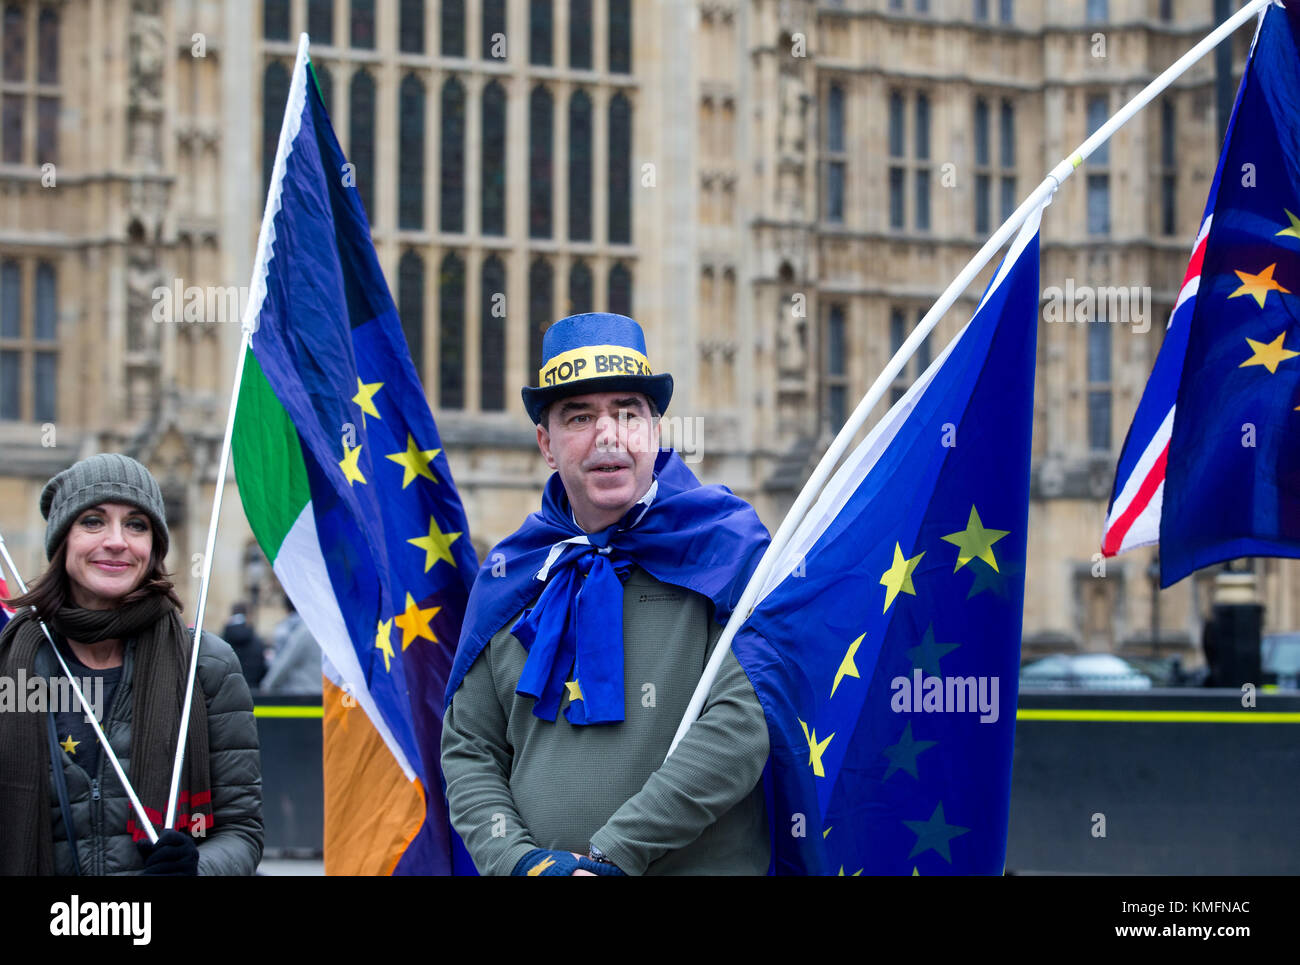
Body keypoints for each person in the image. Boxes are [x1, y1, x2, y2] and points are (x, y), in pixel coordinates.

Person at [441, 313, 771, 876]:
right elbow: (470, 747)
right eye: (579, 416)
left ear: (654, 430)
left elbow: (743, 725)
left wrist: (612, 856)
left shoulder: (730, 550)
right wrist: (522, 864)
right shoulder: (511, 573)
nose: (609, 434)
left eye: (627, 411)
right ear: (546, 443)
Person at [0, 453, 263, 875]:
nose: (117, 540)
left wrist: (198, 869)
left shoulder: (206, 665)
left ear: (153, 547)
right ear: (62, 540)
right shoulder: (11, 667)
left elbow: (242, 830)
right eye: (92, 521)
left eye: (136, 525)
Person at [222, 601, 266, 690]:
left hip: (228, 689)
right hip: (252, 689)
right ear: (247, 614)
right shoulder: (256, 640)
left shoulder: (222, 639)